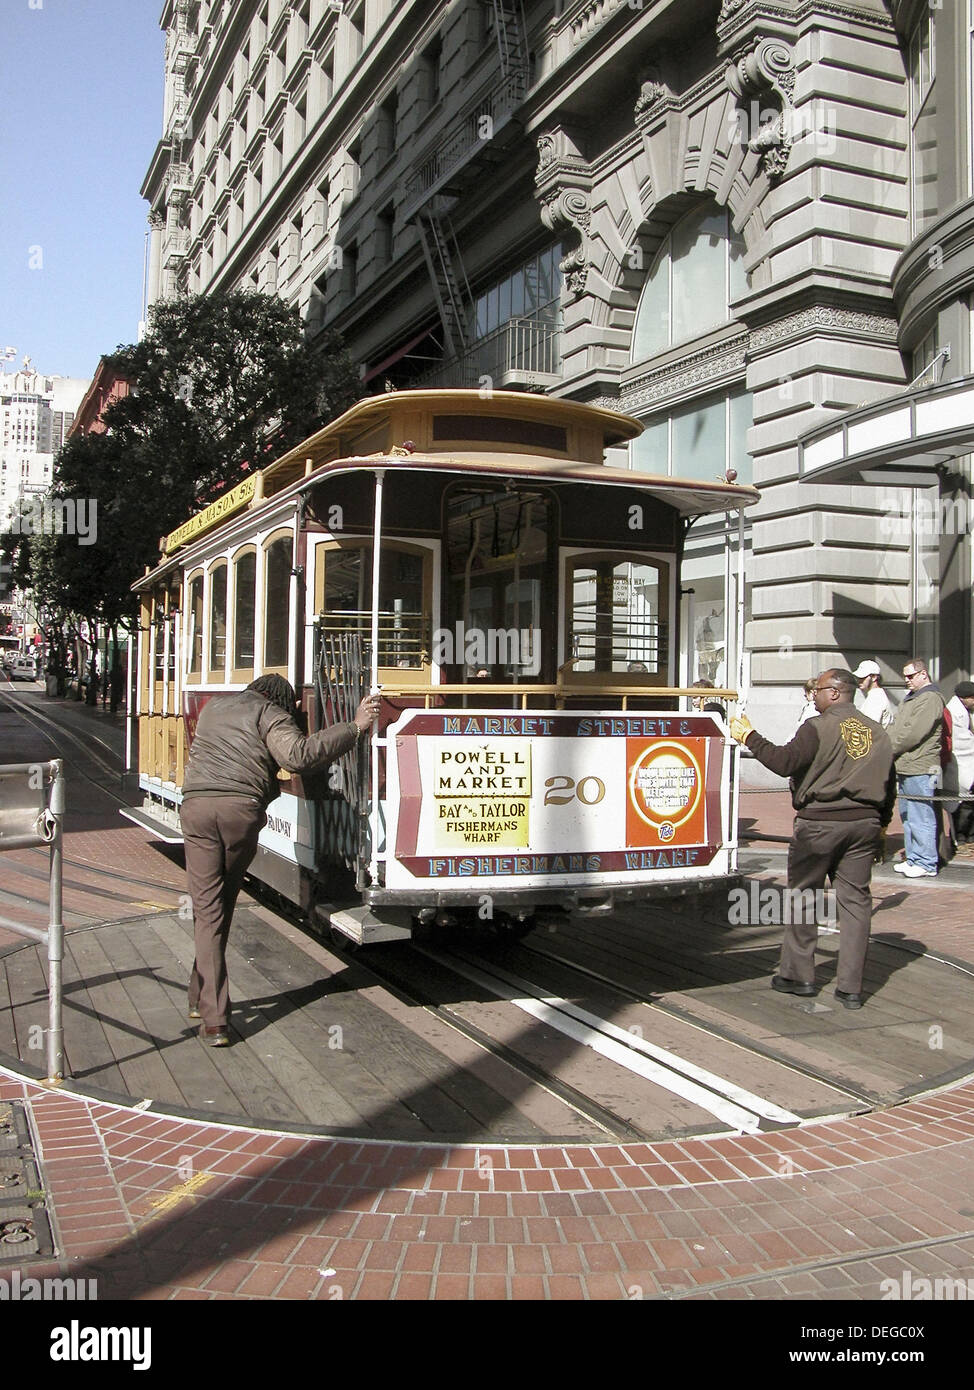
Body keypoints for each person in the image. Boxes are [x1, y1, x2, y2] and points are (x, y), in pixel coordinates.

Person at [180, 675, 381, 1045]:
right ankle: (216, 1020)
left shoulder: (213, 709)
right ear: (282, 700)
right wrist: (354, 727)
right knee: (218, 907)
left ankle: (201, 998)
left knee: (207, 910)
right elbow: (298, 756)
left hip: (195, 808)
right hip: (239, 812)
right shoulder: (270, 714)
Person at [729, 669, 895, 1009]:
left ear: (835, 692)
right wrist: (881, 828)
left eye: (816, 690)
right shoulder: (878, 733)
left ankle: (798, 976)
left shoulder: (817, 728)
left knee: (805, 896)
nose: (812, 696)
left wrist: (749, 736)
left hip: (819, 824)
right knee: (856, 903)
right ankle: (850, 988)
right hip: (864, 824)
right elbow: (890, 785)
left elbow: (784, 761)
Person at [888, 659, 945, 879]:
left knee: (921, 814)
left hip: (921, 765)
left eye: (911, 676)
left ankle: (926, 862)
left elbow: (913, 732)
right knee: (908, 814)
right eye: (905, 676)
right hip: (906, 764)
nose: (907, 680)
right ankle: (913, 858)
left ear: (923, 674)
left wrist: (890, 749)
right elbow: (897, 727)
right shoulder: (912, 698)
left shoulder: (930, 698)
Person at [944, 680, 974, 843]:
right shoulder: (955, 712)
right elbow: (961, 740)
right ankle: (962, 836)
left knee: (967, 803)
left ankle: (968, 835)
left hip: (966, 763)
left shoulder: (963, 710)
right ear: (964, 698)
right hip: (960, 765)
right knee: (962, 804)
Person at [853, 659, 894, 728]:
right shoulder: (874, 696)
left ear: (874, 677)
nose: (859, 681)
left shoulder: (876, 699)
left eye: (863, 677)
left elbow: (869, 728)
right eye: (858, 678)